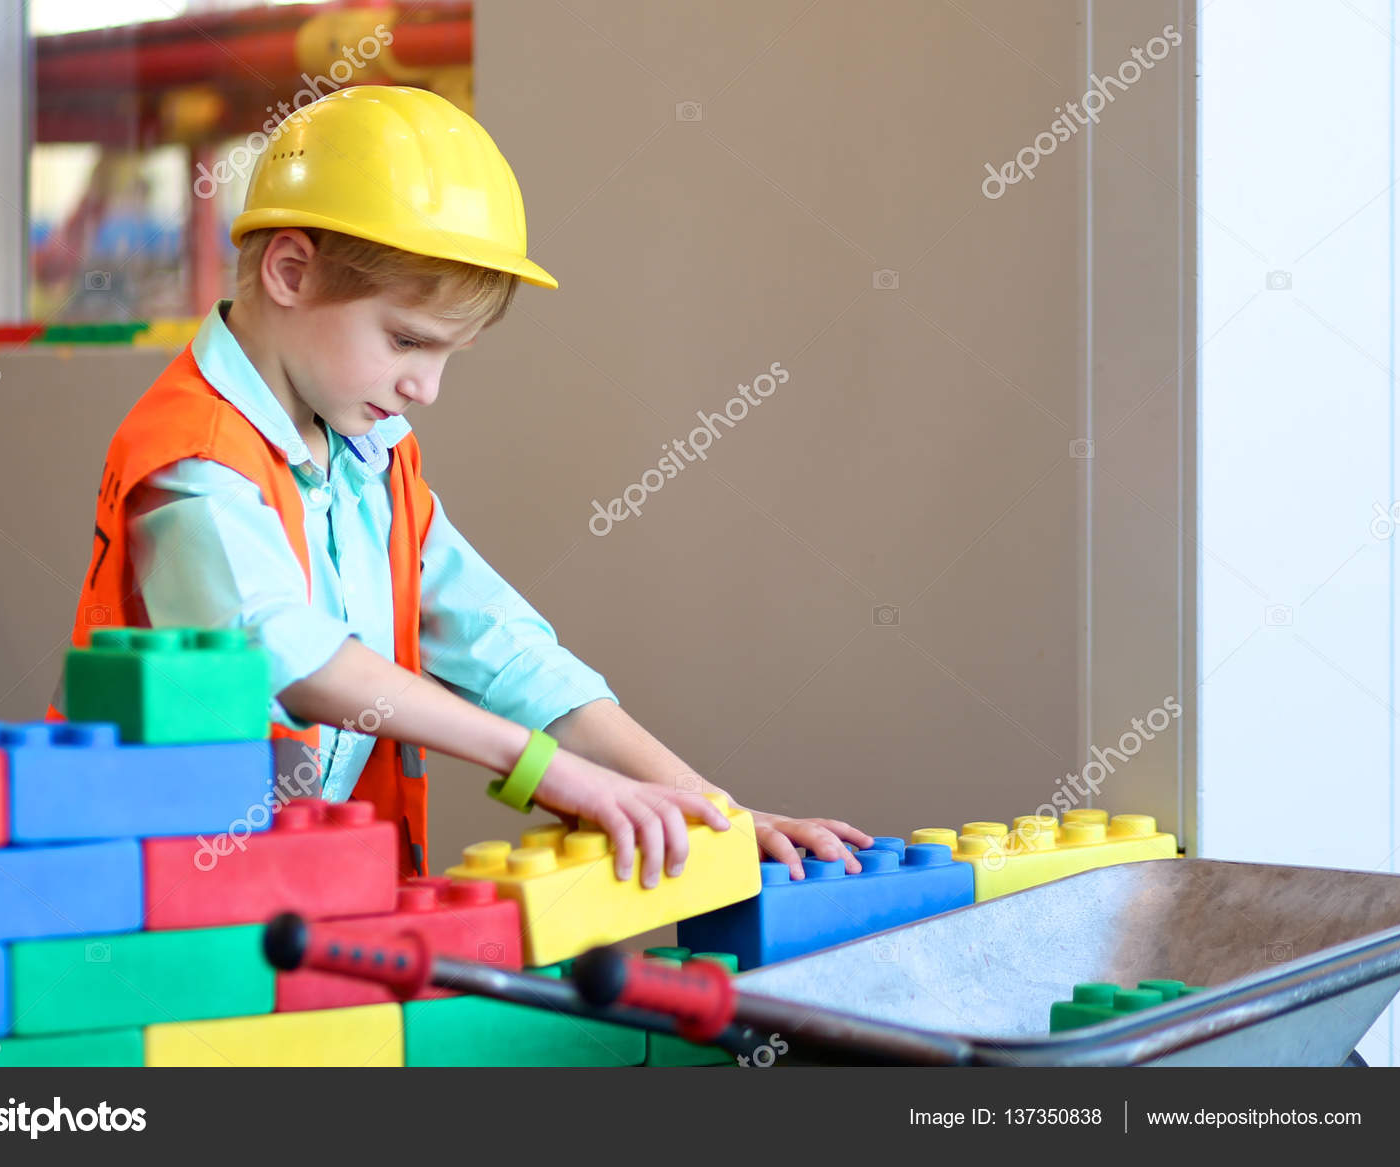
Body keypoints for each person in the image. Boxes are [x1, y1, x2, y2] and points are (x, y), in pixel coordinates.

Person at [55, 86, 870, 886]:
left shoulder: (370, 455)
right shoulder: (192, 459)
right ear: (292, 273)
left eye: (448, 354)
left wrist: (709, 807)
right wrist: (539, 769)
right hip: (135, 902)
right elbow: (289, 655)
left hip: (277, 900)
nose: (426, 388)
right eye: (407, 340)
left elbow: (501, 647)